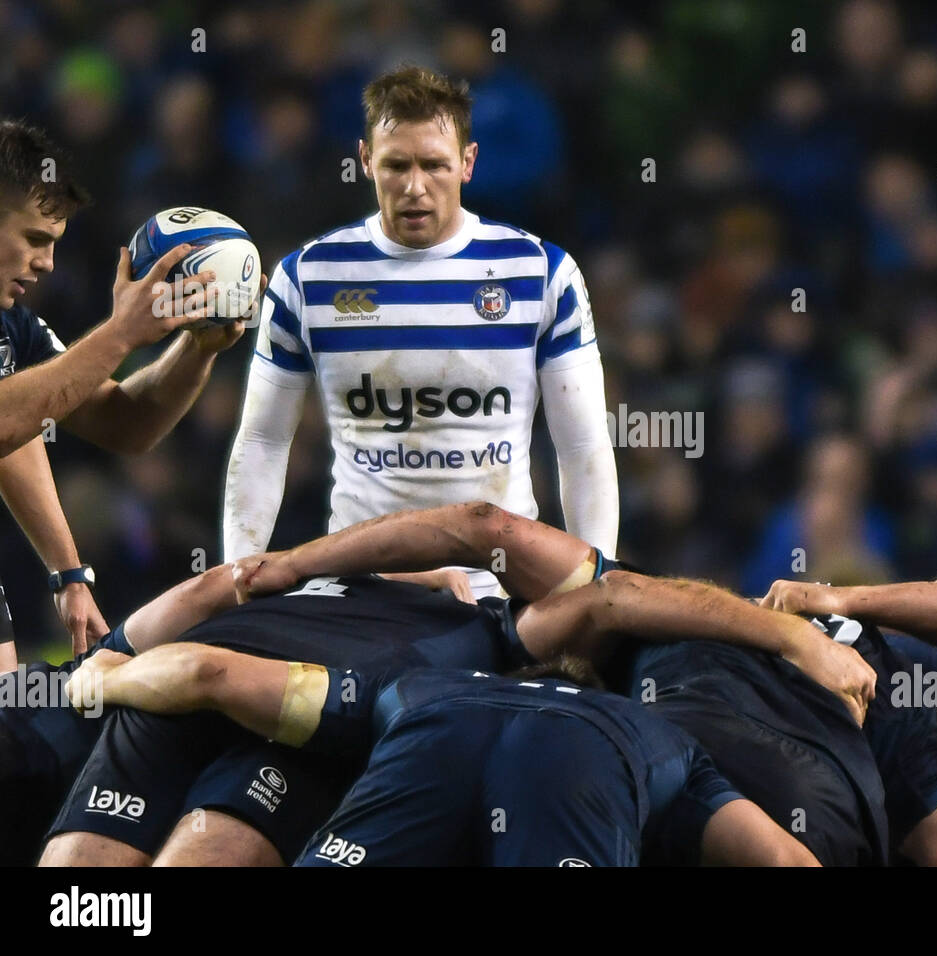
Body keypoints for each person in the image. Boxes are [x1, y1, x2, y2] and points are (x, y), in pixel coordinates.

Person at [38, 502, 871, 866]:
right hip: (233, 696)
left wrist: (102, 666)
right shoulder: (484, 643)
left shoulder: (459, 658)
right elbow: (534, 554)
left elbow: (219, 594)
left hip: (200, 686)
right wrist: (798, 635)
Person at [223, 66, 618, 597]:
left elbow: (583, 445)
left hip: (501, 590)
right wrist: (238, 578)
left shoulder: (541, 274)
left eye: (434, 164)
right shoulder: (308, 278)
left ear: (468, 163)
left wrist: (595, 593)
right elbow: (264, 440)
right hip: (357, 588)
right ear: (365, 160)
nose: (415, 187)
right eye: (396, 165)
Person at [64, 649, 818, 867]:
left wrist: (107, 675)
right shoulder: (658, 734)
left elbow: (211, 675)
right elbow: (784, 864)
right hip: (583, 768)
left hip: (432, 737)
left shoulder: (417, 684)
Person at [0, 118, 251, 658]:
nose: (46, 262)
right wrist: (120, 334)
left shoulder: (11, 326)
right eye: (34, 239)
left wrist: (197, 346)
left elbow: (124, 423)